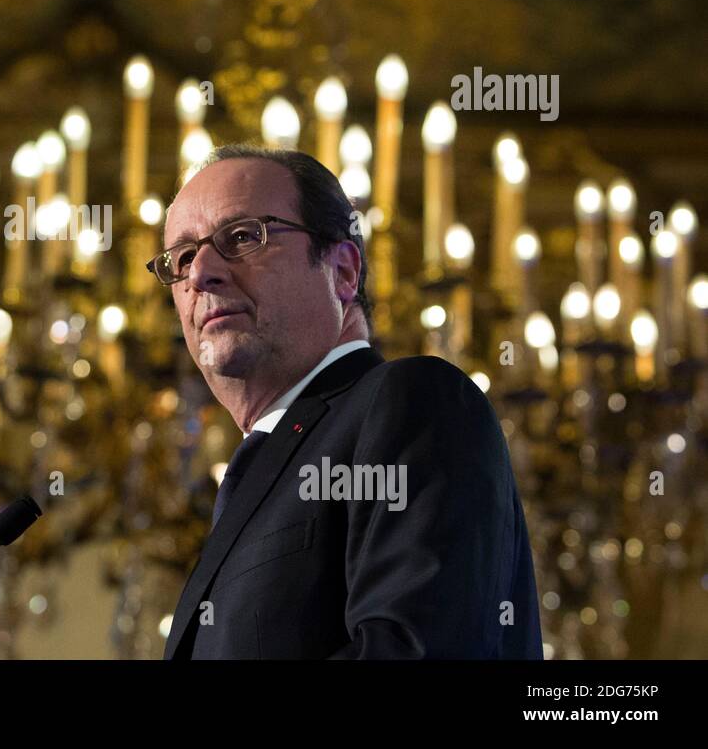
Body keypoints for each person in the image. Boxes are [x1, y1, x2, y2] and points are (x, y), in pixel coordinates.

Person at [154, 145, 542, 659]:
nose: (200, 272)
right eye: (181, 258)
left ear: (342, 270)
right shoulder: (259, 468)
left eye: (243, 237)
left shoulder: (413, 401)